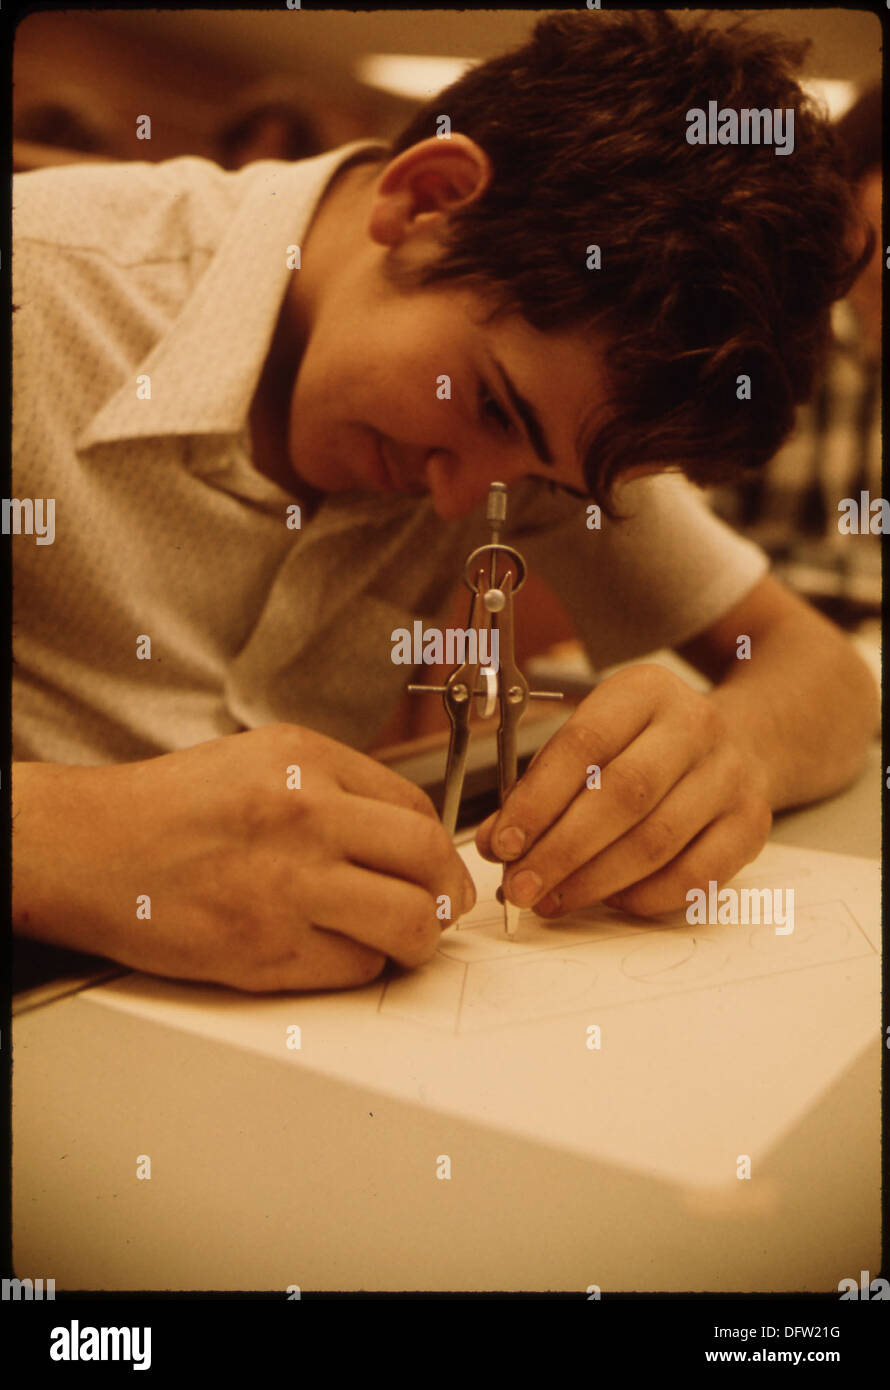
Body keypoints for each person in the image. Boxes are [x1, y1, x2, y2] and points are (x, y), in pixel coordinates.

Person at [11, 11, 878, 994]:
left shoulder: (545, 413)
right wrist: (52, 836)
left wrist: (730, 752)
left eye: (539, 480)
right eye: (485, 406)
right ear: (425, 200)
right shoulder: (36, 291)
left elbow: (823, 674)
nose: (467, 497)